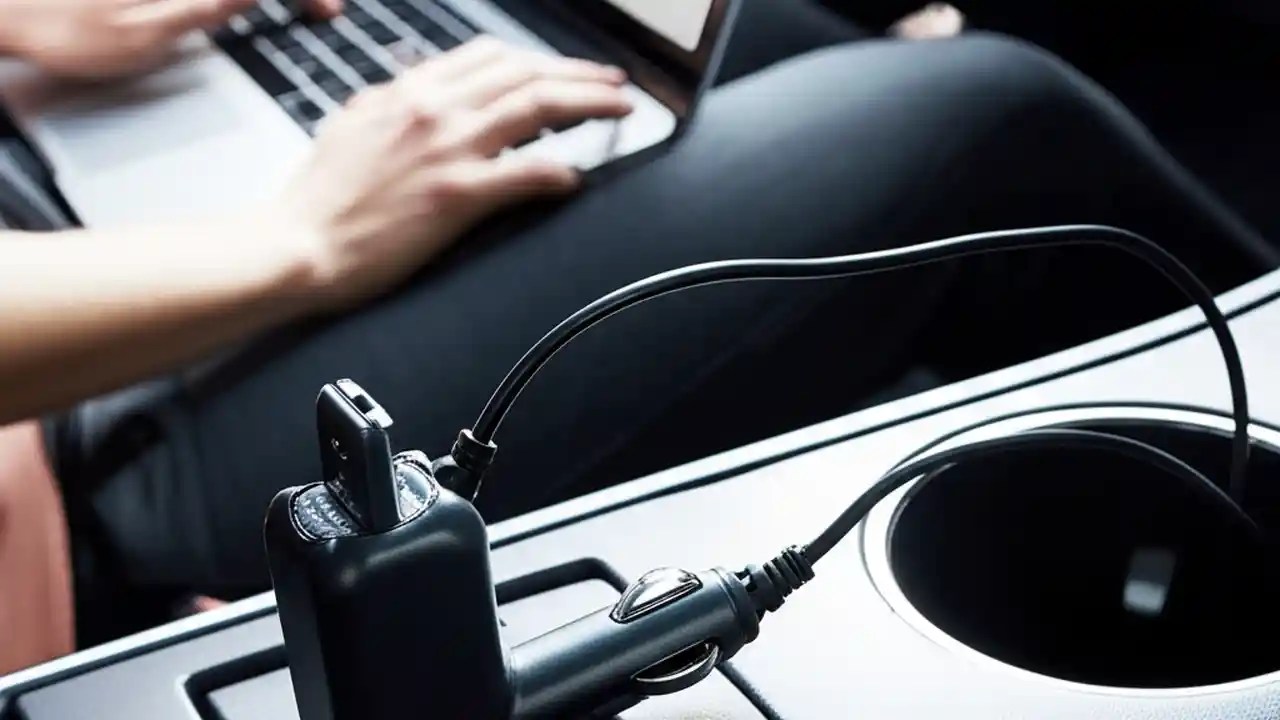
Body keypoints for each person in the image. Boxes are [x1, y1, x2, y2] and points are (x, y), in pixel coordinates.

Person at [0, 0, 1275, 673]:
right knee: (984, 118)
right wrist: (297, 243)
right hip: (65, 468)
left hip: (38, 190)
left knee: (748, 47)